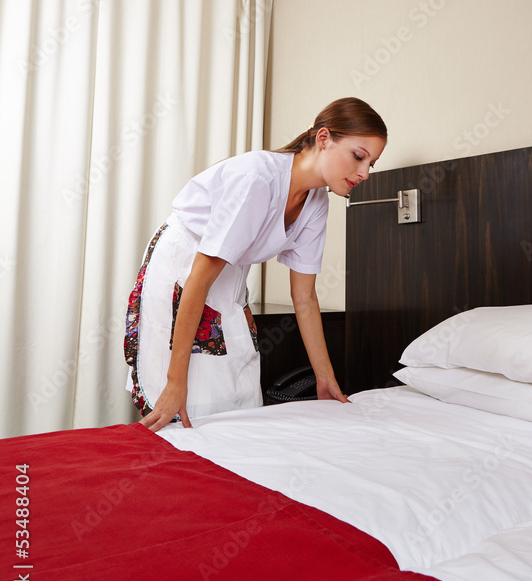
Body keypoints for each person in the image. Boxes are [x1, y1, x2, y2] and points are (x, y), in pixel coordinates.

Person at [124, 96, 387, 432]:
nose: (364, 173)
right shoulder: (258, 179)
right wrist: (175, 383)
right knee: (182, 400)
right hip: (184, 261)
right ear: (323, 139)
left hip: (229, 271)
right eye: (358, 157)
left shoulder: (317, 202)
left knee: (237, 389)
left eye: (372, 164)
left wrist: (326, 379)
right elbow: (199, 279)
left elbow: (304, 298)